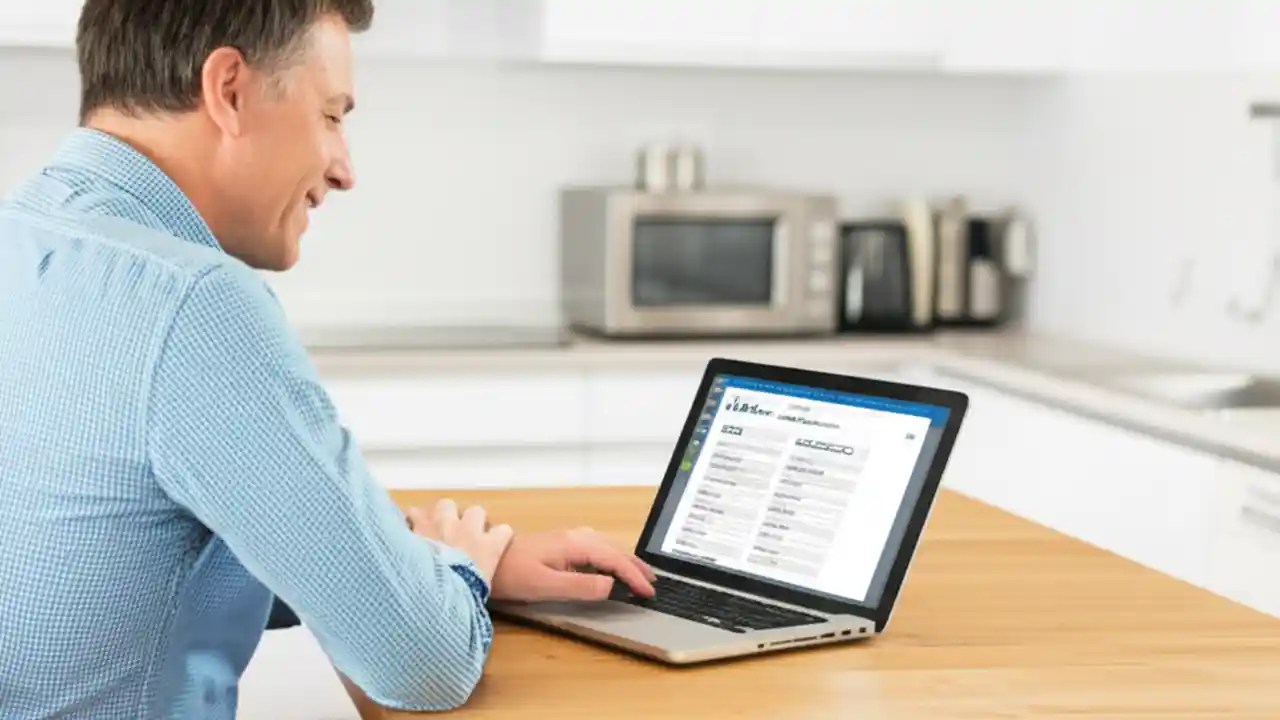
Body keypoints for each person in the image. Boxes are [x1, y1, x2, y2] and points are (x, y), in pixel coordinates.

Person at [0, 1, 656, 717]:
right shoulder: (192, 303)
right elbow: (422, 664)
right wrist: (452, 572)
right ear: (229, 90)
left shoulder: (28, 241)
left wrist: (438, 566)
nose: (343, 170)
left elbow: (113, 546)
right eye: (332, 115)